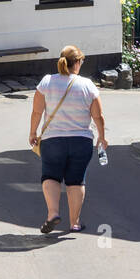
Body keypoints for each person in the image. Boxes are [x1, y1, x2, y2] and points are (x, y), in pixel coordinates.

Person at [29, 45, 106, 234]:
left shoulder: (47, 82)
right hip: (82, 141)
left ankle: (53, 214)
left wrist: (33, 133)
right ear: (78, 62)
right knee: (76, 181)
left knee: (51, 176)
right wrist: (102, 137)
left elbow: (37, 111)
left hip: (52, 141)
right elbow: (98, 116)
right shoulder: (87, 84)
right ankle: (75, 223)